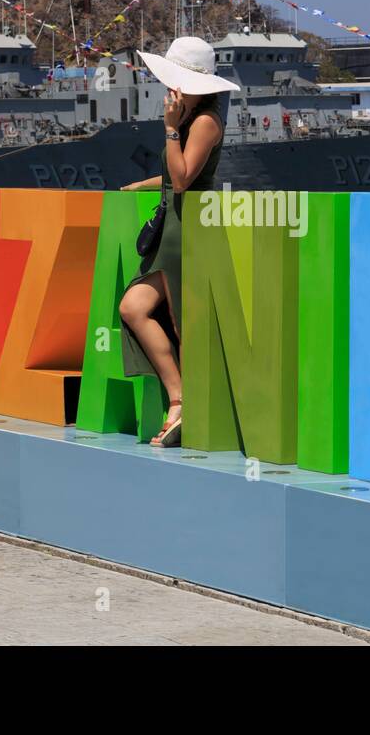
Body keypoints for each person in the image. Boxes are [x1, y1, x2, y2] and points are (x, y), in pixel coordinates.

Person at [119, 37, 240, 447]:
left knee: (181, 321)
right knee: (133, 307)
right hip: (172, 224)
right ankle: (179, 395)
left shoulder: (203, 122)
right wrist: (141, 184)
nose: (168, 89)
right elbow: (175, 177)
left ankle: (193, 411)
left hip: (188, 227)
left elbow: (186, 178)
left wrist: (170, 129)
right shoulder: (190, 119)